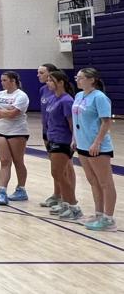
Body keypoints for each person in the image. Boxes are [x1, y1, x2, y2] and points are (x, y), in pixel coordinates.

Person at [72, 68, 117, 231]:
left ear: (92, 80)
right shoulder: (78, 96)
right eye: (77, 77)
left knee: (105, 182)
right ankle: (98, 214)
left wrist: (97, 142)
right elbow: (77, 119)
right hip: (82, 144)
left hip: (97, 146)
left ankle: (109, 219)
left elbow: (106, 122)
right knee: (93, 181)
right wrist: (74, 139)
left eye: (81, 78)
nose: (77, 80)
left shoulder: (100, 97)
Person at [43, 71, 80, 220]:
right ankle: (66, 203)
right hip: (52, 139)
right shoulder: (52, 99)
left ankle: (74, 206)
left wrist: (74, 141)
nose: (48, 83)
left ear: (60, 82)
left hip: (62, 140)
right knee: (59, 174)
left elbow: (72, 124)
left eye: (51, 80)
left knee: (58, 173)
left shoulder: (66, 101)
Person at [0, 71, 30, 205]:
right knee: (4, 161)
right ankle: (2, 191)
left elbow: (13, 113)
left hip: (17, 131)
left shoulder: (21, 96)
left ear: (13, 81)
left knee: (18, 161)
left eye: (5, 80)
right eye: (1, 80)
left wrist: (3, 112)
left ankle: (21, 189)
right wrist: (5, 112)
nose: (2, 82)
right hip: (1, 130)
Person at [36, 63, 62, 207]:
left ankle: (66, 198)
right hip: (47, 132)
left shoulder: (62, 94)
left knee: (65, 168)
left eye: (41, 72)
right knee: (54, 167)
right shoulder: (43, 90)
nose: (38, 75)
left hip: (60, 134)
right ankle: (56, 194)